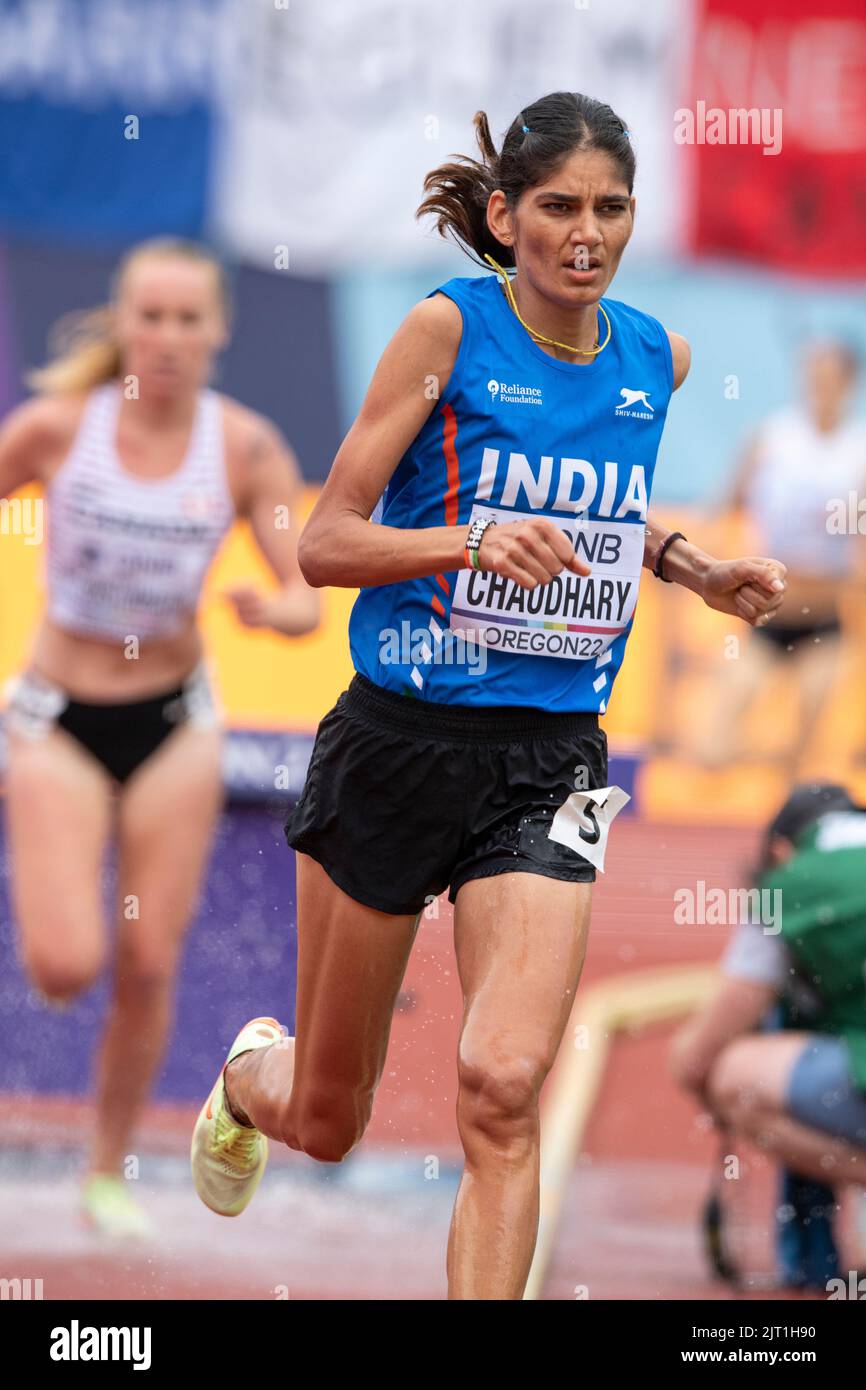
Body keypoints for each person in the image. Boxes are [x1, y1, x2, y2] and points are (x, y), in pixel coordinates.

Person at [191, 91, 786, 1300]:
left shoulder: (653, 359)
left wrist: (693, 569)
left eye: (610, 208)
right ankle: (253, 1068)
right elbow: (326, 542)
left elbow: (603, 519)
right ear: (505, 215)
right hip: (399, 738)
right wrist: (467, 544)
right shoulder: (443, 333)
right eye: (559, 206)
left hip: (550, 758)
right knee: (325, 1117)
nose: (586, 232)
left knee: (502, 1087)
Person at [0, 236, 319, 1238]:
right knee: (64, 963)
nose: (170, 337)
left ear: (220, 329)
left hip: (176, 720)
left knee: (148, 961)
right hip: (60, 716)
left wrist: (279, 611)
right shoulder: (56, 431)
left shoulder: (245, 447)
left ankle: (106, 1169)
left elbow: (308, 586)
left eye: (190, 319)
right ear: (120, 322)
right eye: (152, 316)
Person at [669, 782, 866, 1289]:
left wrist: (698, 1079)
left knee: (735, 1077)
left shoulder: (790, 883)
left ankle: (811, 1262)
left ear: (780, 848)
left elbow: (701, 1050)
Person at [692, 340, 866, 775]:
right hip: (768, 613)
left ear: (848, 383)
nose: (820, 386)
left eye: (829, 378)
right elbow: (727, 498)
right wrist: (696, 559)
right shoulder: (774, 436)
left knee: (805, 747)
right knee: (714, 745)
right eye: (813, 376)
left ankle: (788, 822)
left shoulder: (857, 450)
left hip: (824, 619)